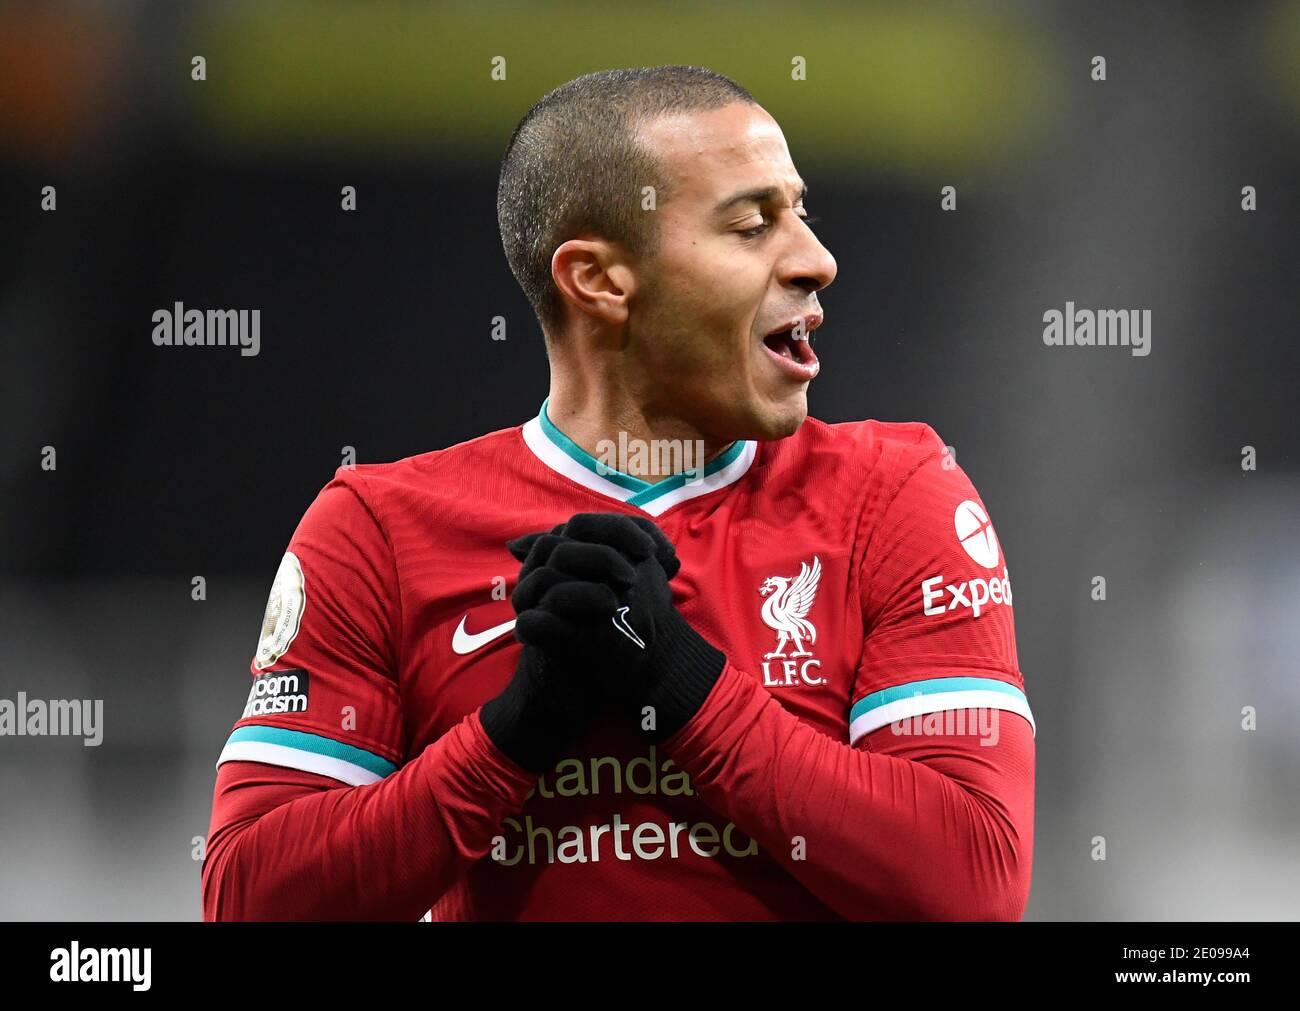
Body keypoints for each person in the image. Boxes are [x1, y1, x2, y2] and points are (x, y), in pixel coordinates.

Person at [202, 65, 1034, 921]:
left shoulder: (894, 495)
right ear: (599, 280)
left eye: (801, 212)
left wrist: (683, 682)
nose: (816, 261)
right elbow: (251, 902)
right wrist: (513, 734)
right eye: (752, 226)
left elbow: (972, 886)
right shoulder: (378, 530)